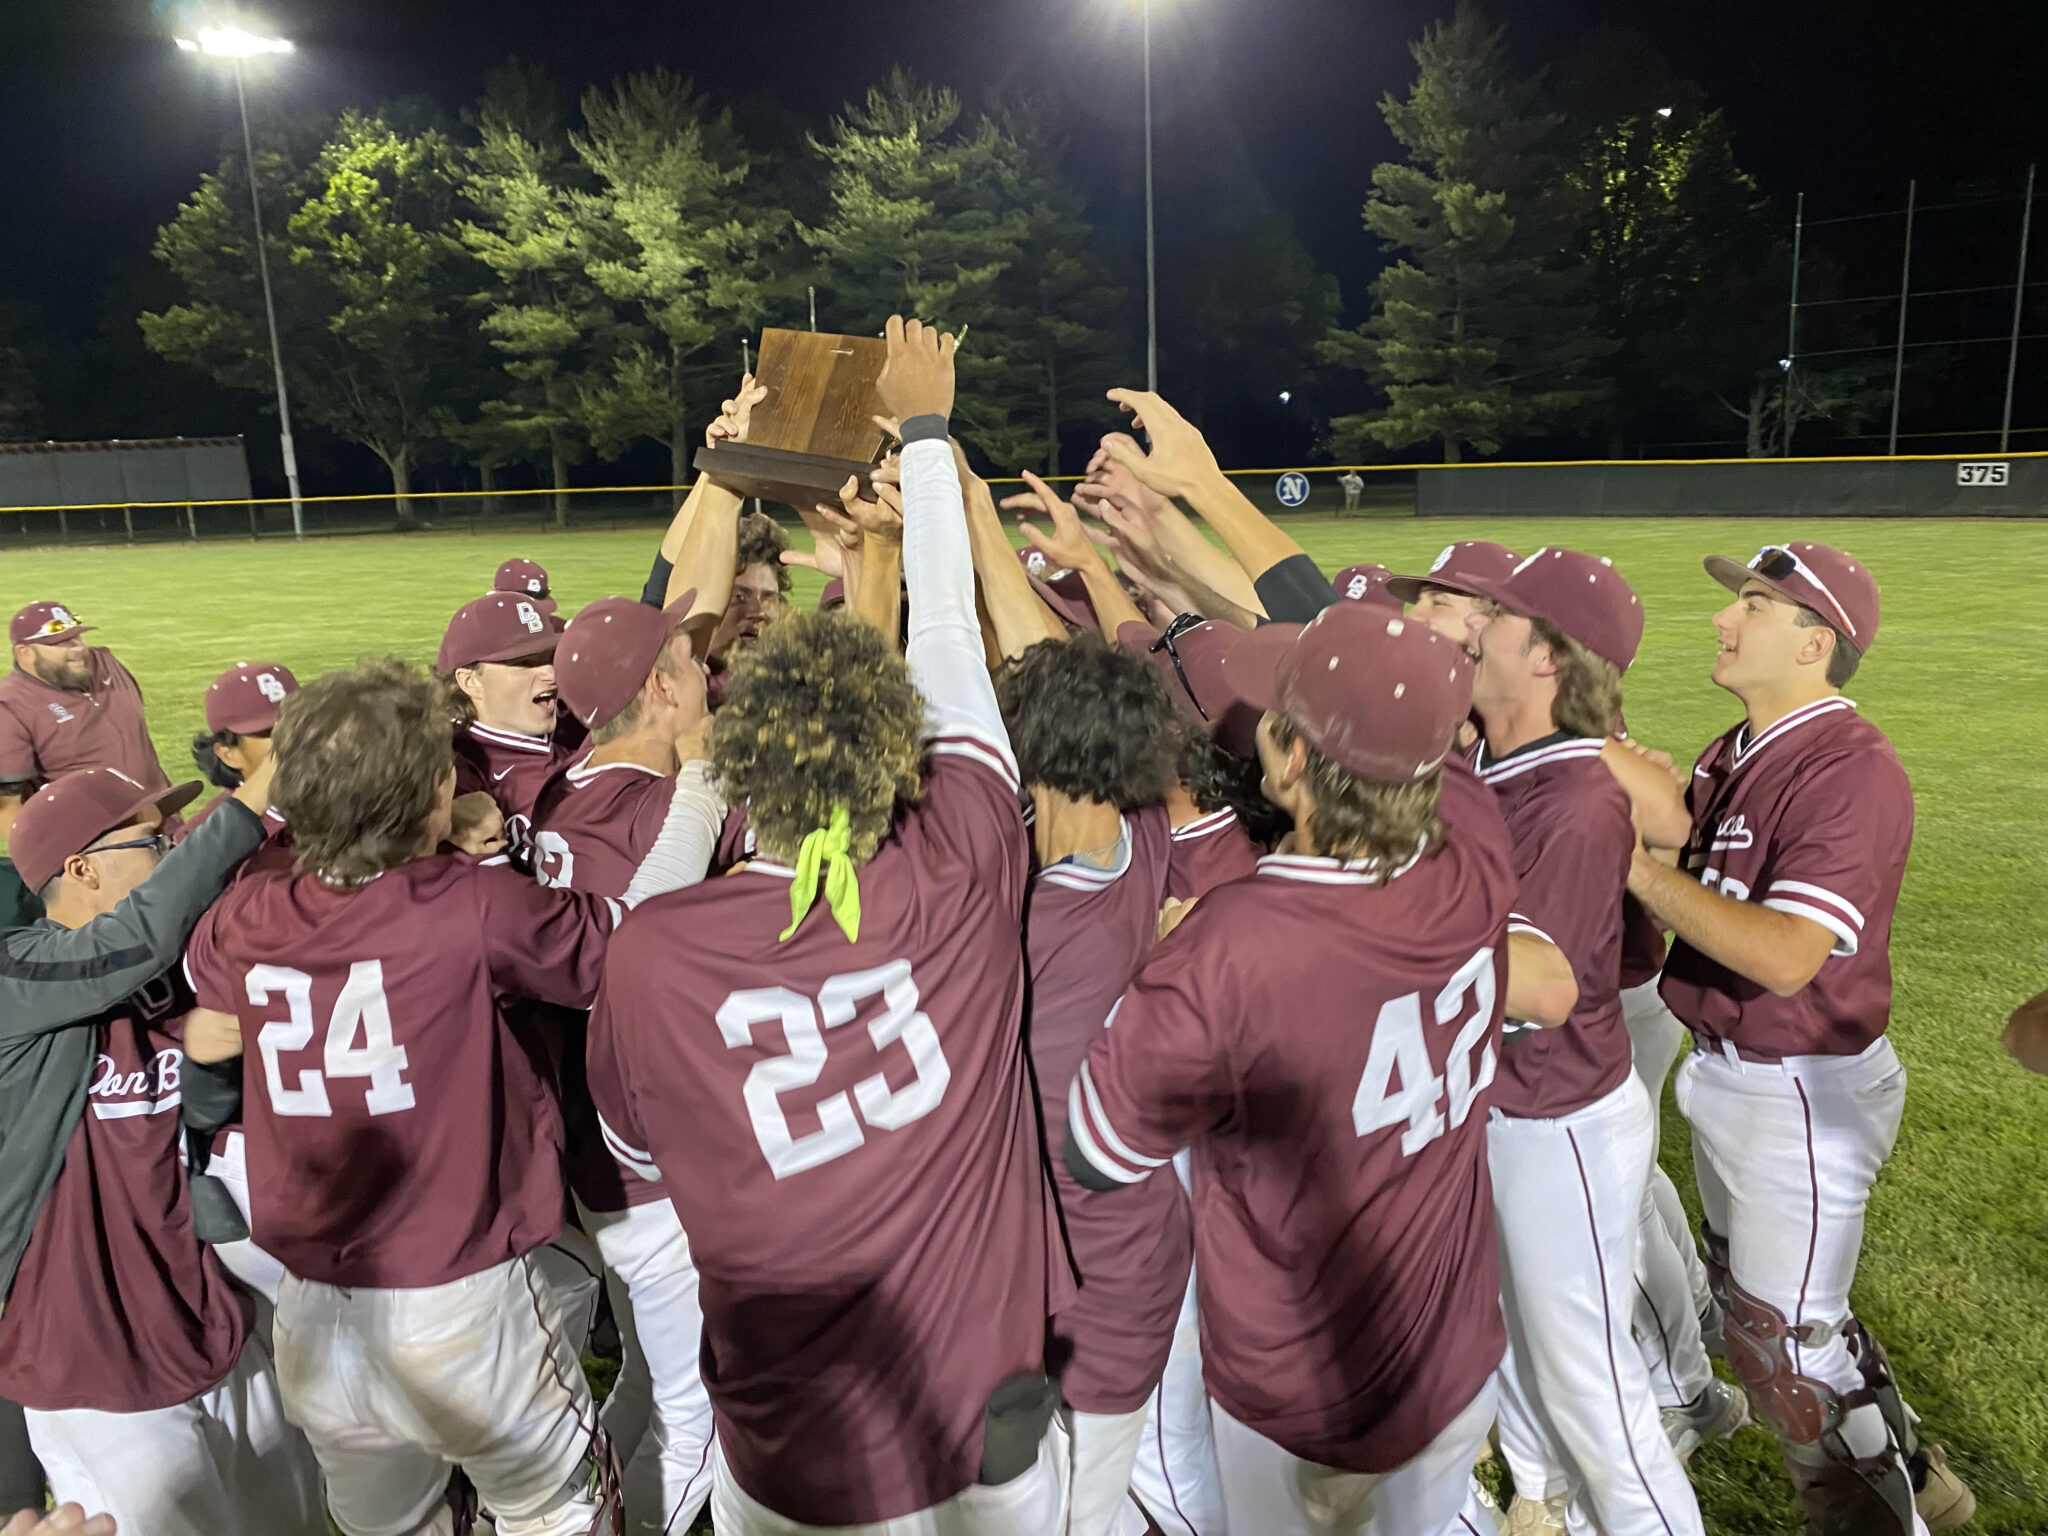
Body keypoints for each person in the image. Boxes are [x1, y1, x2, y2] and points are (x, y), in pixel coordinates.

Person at [584, 317, 1072, 1535]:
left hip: (791, 1440)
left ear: (738, 764)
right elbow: (954, 657)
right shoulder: (960, 864)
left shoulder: (654, 954)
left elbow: (638, 1152)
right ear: (892, 757)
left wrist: (698, 779)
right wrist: (920, 435)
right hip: (981, 1409)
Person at [178, 655, 728, 1536]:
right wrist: (701, 784)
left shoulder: (243, 918)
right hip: (464, 1300)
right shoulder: (469, 907)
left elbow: (223, 1006)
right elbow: (630, 930)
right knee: (559, 1515)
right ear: (434, 791)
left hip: (315, 1309)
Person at [1066, 600, 1516, 1536]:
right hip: (1452, 1344)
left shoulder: (1233, 946)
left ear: (1295, 759)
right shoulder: (1474, 843)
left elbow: (1100, 1148)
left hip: (1299, 1385)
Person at [1627, 542, 1973, 1535]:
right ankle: (1926, 1487)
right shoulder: (1729, 751)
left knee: (1787, 1343)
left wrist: (1641, 871)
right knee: (1769, 1319)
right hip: (1736, 1073)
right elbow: (1689, 882)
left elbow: (1785, 956)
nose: (1720, 621)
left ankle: (1873, 1519)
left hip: (1802, 1088)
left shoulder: (1845, 769)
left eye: (1749, 604)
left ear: (1813, 642)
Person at [1457, 548, 1715, 1536]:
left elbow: (1538, 993)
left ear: (1549, 663)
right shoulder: (1490, 754)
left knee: (1592, 1388)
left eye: (1503, 619)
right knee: (1521, 1329)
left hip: (1555, 1114)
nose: (1478, 628)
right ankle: (1537, 1496)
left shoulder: (1570, 803)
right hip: (1510, 1101)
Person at [0, 759, 324, 1536]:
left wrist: (213, 1063)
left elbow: (197, 1134)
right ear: (79, 870)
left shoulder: (177, 978)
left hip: (208, 1327)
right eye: (155, 841)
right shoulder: (15, 975)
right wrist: (248, 803)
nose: (175, 850)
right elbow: (134, 935)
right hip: (90, 1367)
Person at [531, 593, 722, 1536]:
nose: (708, 678)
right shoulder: (668, 809)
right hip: (649, 1163)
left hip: (580, 1152)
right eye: (690, 662)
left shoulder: (560, 787)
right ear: (658, 688)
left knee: (648, 1383)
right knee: (704, 1420)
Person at [0, 604, 171, 842]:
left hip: (162, 817)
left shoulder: (106, 664)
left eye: (76, 636)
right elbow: (7, 805)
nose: (78, 648)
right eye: (60, 643)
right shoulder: (11, 705)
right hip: (97, 844)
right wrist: (47, 865)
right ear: (25, 652)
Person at [438, 591, 568, 865]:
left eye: (550, 656)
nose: (551, 673)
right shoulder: (452, 774)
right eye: (524, 662)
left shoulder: (579, 725)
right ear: (471, 682)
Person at [185, 661, 297, 839]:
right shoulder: (206, 843)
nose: (295, 738)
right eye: (271, 732)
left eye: (301, 724)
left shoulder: (347, 798)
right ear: (228, 754)